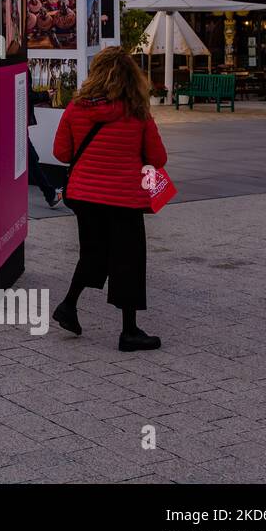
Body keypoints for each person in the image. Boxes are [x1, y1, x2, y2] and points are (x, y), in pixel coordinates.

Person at [52, 47, 167, 352]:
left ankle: (68, 306)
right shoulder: (137, 110)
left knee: (93, 253)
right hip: (123, 199)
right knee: (127, 260)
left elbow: (61, 154)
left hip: (84, 197)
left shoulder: (76, 109)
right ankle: (129, 331)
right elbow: (158, 157)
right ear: (131, 76)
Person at [27, 89, 62, 208]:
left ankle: (50, 194)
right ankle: (50, 195)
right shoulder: (22, 70)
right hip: (16, 121)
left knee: (31, 159)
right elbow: (26, 94)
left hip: (11, 119)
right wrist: (45, 95)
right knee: (31, 160)